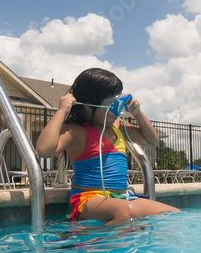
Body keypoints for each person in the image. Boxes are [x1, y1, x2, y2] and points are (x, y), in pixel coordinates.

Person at [36, 68, 181, 225]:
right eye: (111, 105)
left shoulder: (118, 126)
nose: (117, 111)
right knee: (129, 212)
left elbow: (152, 141)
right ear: (88, 106)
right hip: (88, 199)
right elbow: (44, 150)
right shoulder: (76, 131)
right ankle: (91, 242)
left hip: (123, 198)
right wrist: (61, 111)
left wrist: (138, 114)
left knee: (173, 215)